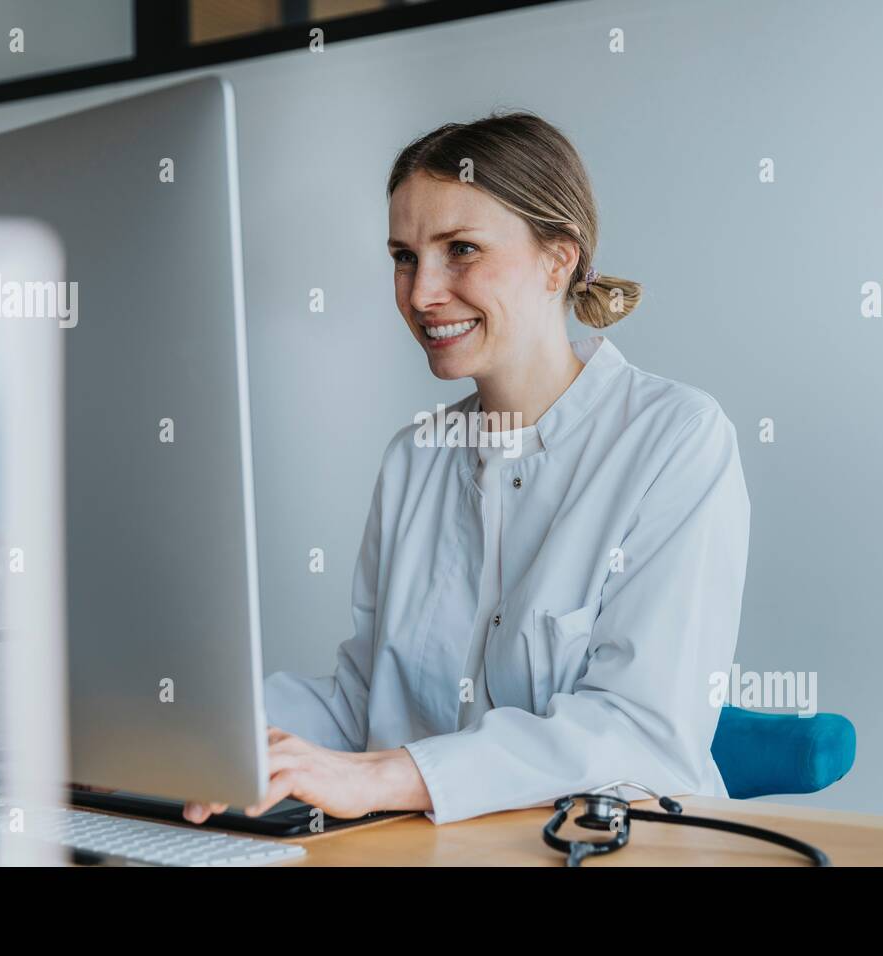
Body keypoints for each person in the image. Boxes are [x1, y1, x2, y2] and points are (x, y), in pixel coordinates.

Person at [184, 111, 750, 827]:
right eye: (404, 256)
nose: (422, 293)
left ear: (559, 259)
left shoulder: (676, 439)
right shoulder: (414, 456)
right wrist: (181, 730)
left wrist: (392, 776)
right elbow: (362, 702)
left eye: (461, 249)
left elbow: (639, 735)